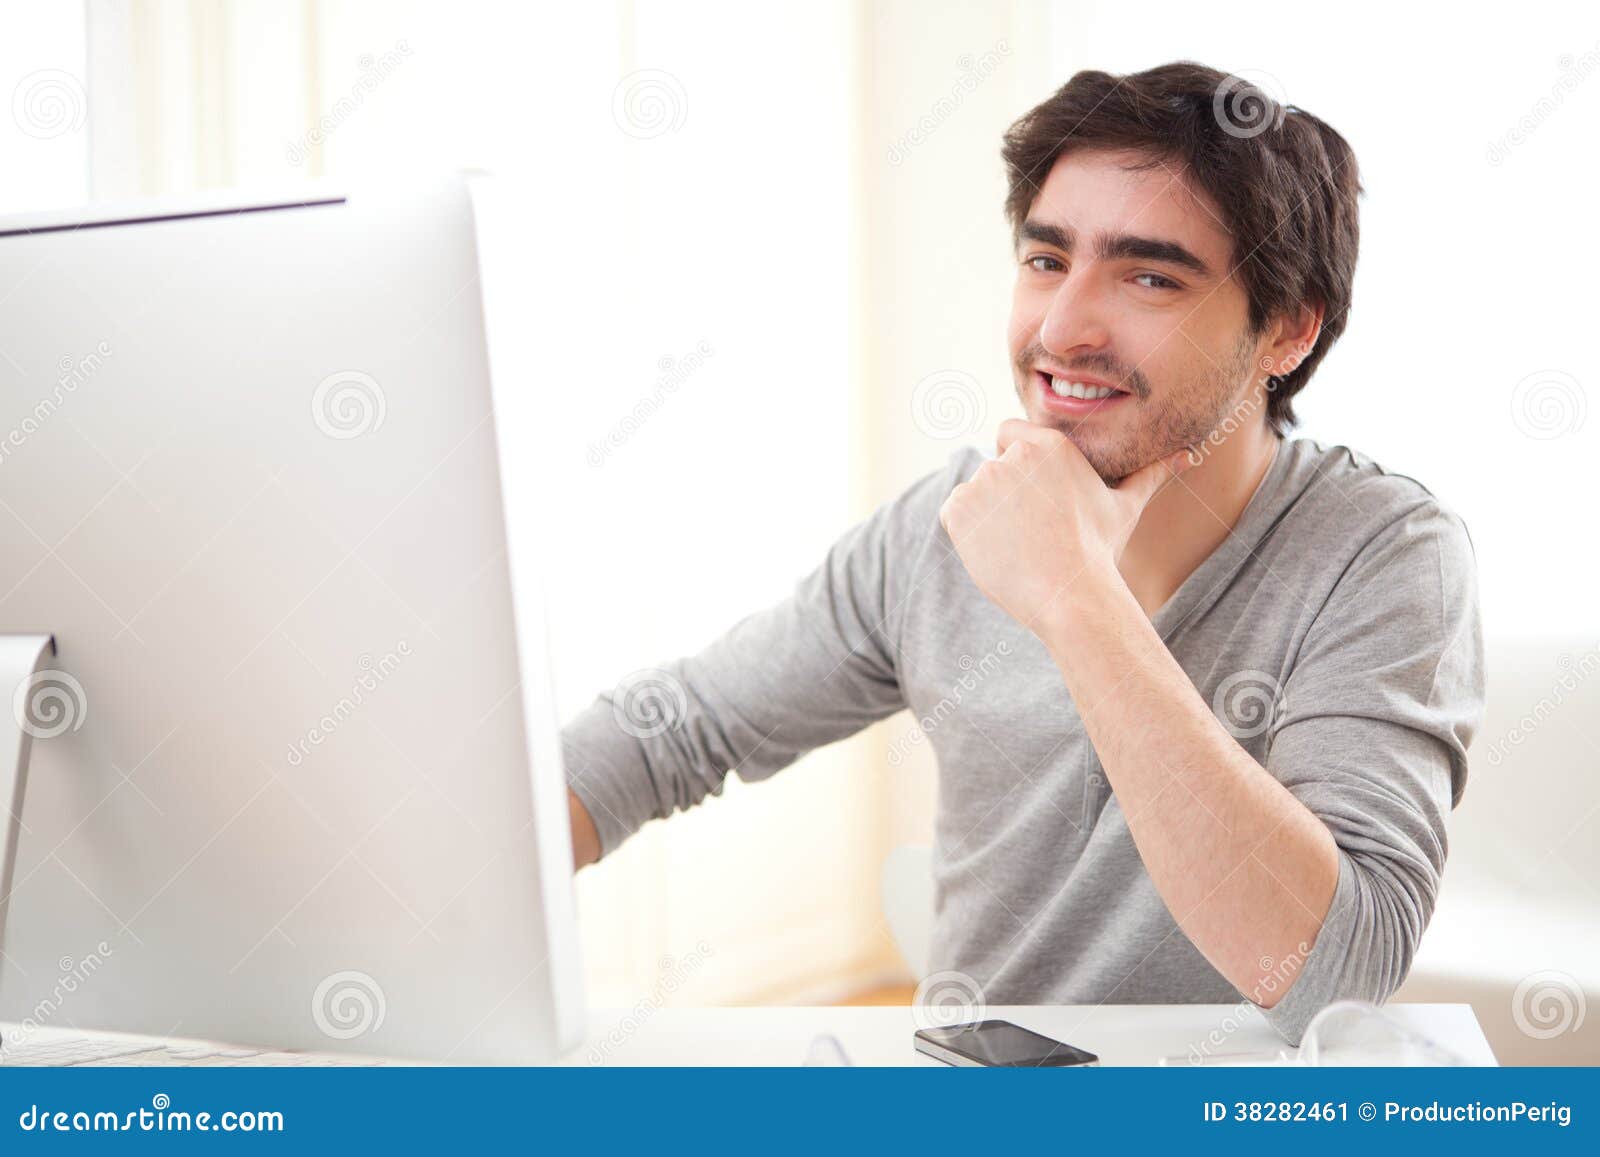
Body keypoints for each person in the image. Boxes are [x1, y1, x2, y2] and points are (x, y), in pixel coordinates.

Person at [559, 61, 1484, 1043]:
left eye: (1147, 276)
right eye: (1046, 260)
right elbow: (671, 733)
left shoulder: (1382, 552)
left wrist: (1076, 596)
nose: (1058, 328)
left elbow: (1334, 971)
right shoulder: (944, 525)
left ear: (1286, 329)